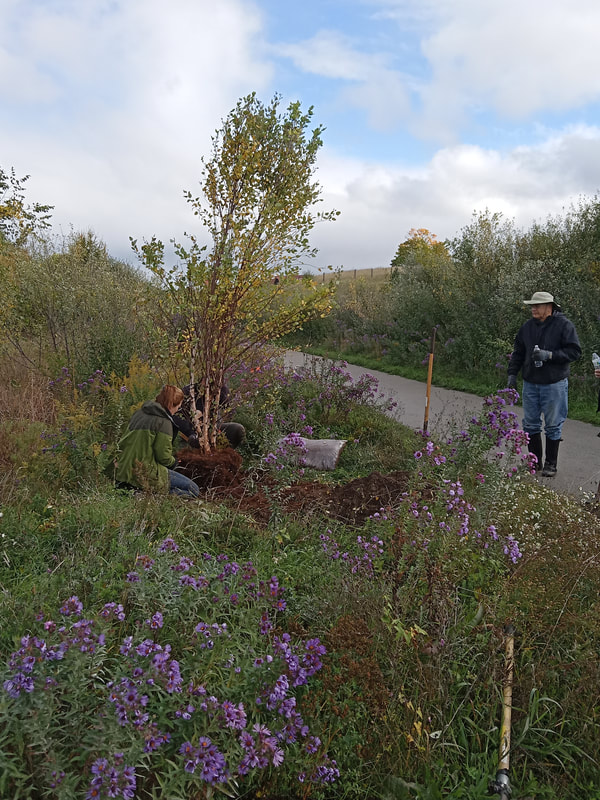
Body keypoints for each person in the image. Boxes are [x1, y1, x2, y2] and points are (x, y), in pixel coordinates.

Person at [507, 291, 581, 477]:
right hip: (531, 383)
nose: (533, 308)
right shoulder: (527, 327)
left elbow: (574, 352)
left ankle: (551, 464)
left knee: (553, 425)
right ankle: (534, 463)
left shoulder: (564, 326)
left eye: (537, 305)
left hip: (554, 383)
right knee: (530, 424)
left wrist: (550, 355)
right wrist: (512, 375)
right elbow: (518, 352)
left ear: (549, 307)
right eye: (532, 305)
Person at [114, 385, 200, 498]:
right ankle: (146, 496)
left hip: (123, 469)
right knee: (193, 490)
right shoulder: (164, 422)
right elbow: (163, 457)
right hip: (144, 470)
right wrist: (174, 462)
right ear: (171, 405)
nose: (177, 411)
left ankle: (131, 490)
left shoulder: (139, 413)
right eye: (178, 407)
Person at [172, 382, 246, 450]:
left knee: (237, 429)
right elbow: (176, 416)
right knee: (193, 442)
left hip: (212, 429)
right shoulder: (188, 391)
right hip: (191, 432)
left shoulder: (220, 390)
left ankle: (224, 454)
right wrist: (192, 431)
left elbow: (227, 407)